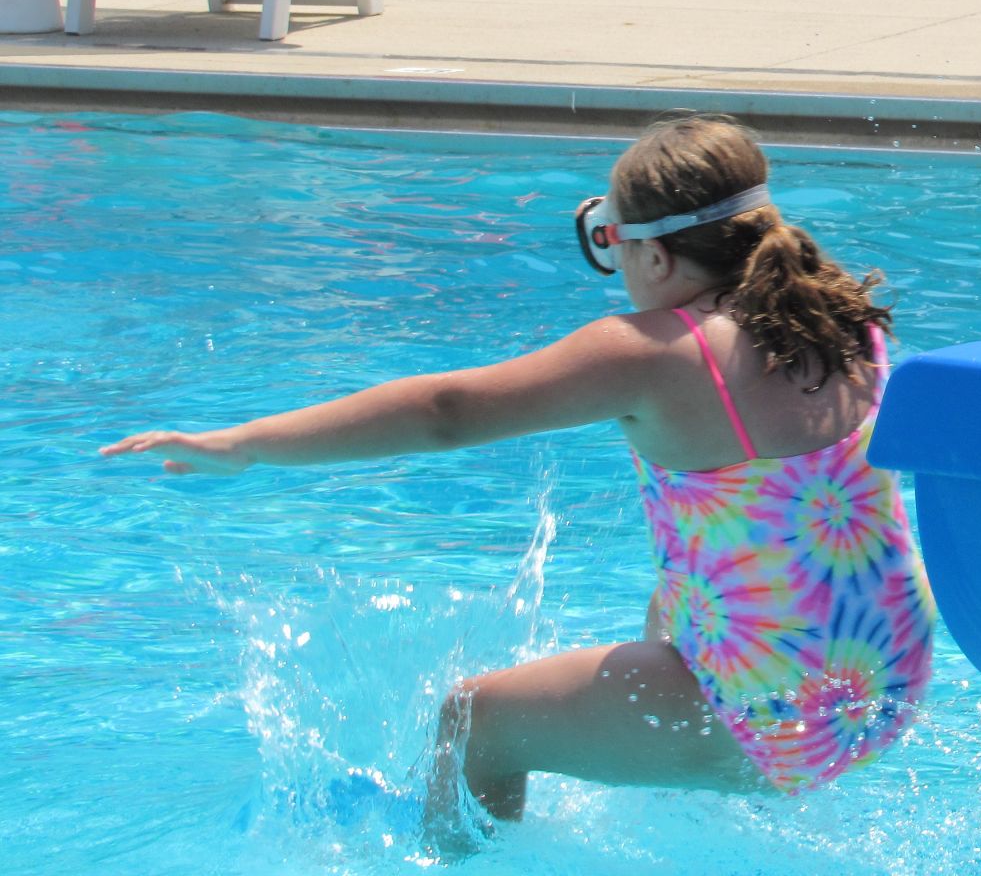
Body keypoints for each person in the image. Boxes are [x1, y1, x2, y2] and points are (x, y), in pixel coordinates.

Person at [102, 114, 938, 846]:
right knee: (671, 595)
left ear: (650, 249)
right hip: (884, 685)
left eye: (607, 240)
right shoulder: (839, 315)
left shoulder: (651, 352)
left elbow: (444, 410)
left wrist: (245, 444)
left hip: (773, 719)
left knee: (473, 721)